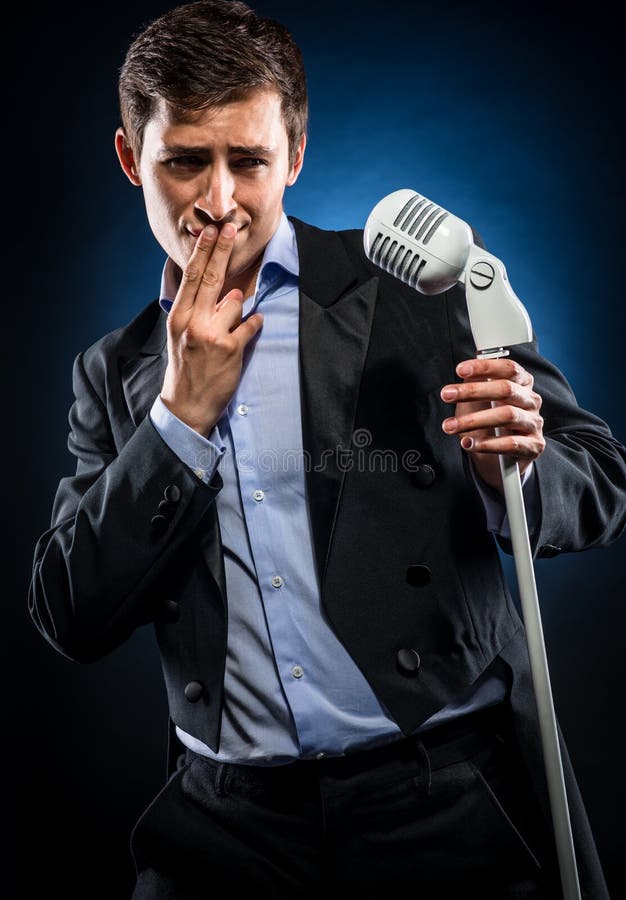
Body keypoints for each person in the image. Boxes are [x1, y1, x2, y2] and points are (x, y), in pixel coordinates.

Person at [28, 2, 626, 898]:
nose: (219, 203)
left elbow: (602, 479)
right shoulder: (111, 373)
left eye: (249, 161)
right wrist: (178, 422)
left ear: (296, 155)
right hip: (223, 828)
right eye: (185, 161)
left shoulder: (418, 290)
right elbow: (70, 614)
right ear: (129, 158)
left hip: (445, 801)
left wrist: (514, 470)